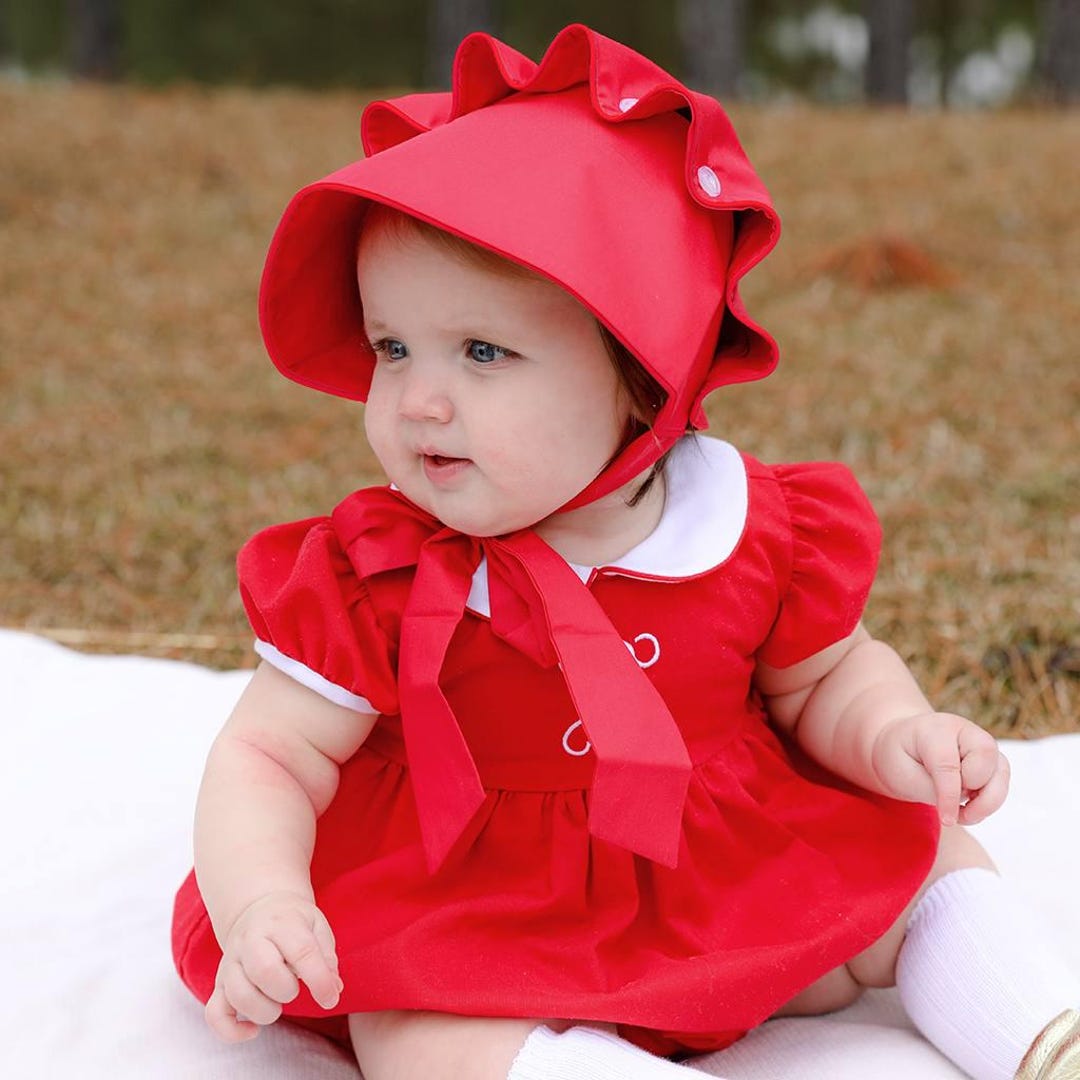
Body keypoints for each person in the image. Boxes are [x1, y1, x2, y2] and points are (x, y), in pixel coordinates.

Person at [171, 24, 1080, 1080]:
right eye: (392, 346)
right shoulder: (374, 569)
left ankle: (1040, 1035)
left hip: (721, 866)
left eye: (481, 352)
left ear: (641, 378)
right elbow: (269, 756)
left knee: (925, 861)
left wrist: (896, 736)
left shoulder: (741, 526)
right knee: (412, 1036)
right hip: (477, 898)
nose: (419, 398)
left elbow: (824, 680)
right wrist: (262, 897)